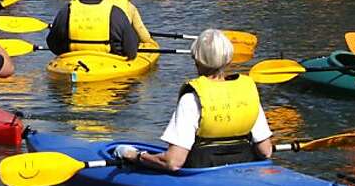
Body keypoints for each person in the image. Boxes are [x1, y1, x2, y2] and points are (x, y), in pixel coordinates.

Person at [117, 30, 273, 171]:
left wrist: (136, 156)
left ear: (196, 60)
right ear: (229, 60)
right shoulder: (246, 92)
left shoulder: (192, 99)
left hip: (202, 172)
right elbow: (266, 151)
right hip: (244, 170)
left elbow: (173, 162)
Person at [46, 0, 140, 59]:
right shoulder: (116, 13)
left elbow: (53, 45)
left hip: (74, 62)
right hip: (109, 65)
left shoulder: (67, 11)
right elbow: (131, 51)